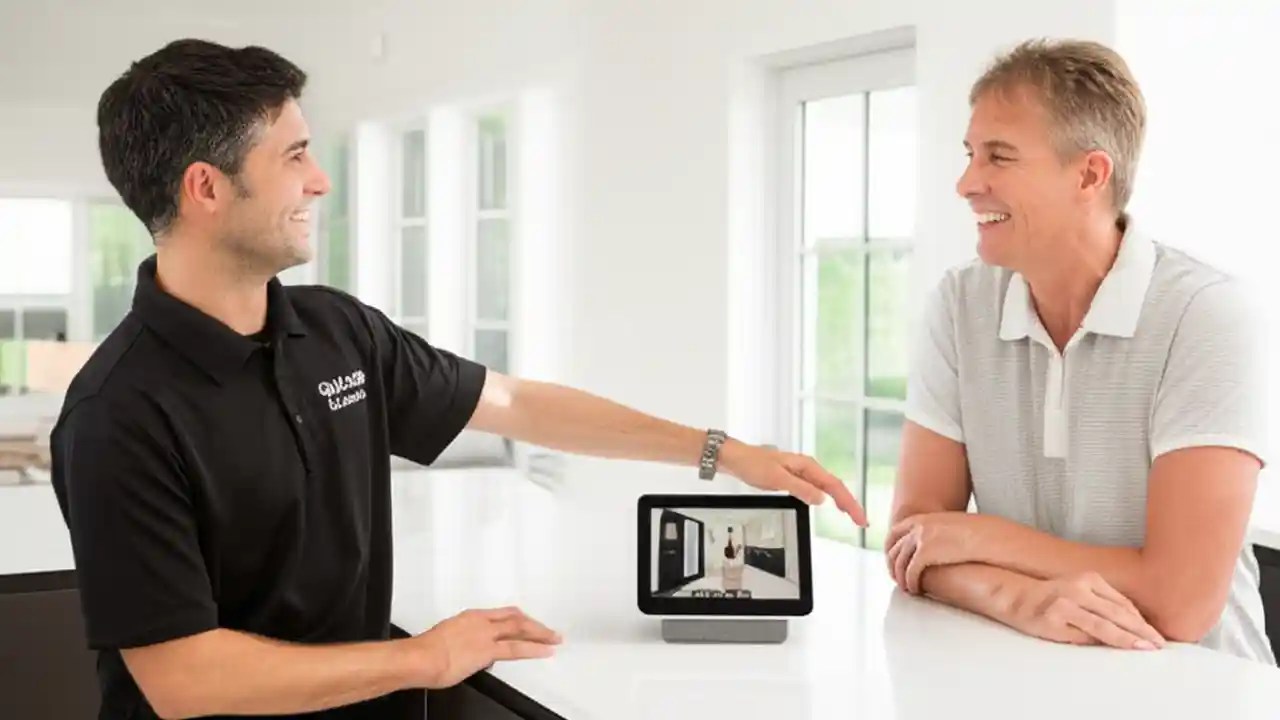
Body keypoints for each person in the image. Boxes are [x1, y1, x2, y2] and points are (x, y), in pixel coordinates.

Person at [49, 39, 869, 720]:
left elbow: (512, 403)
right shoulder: (116, 414)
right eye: (295, 155)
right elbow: (181, 675)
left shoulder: (337, 330)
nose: (319, 180)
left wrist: (724, 453)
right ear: (206, 187)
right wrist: (422, 657)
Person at [884, 38, 1273, 664]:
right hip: (1033, 675)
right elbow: (912, 544)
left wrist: (980, 537)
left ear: (1090, 175)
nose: (966, 182)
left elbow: (1180, 604)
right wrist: (1016, 599)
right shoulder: (959, 305)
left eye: (999, 157)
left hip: (1198, 686)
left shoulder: (1207, 315)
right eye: (969, 154)